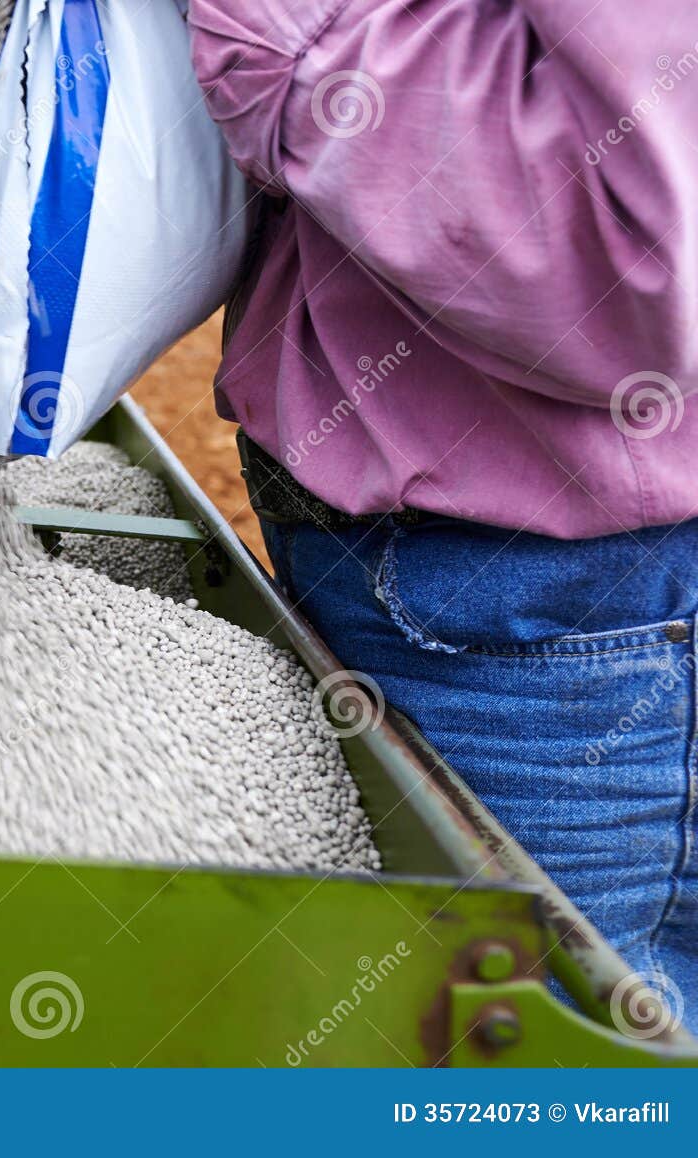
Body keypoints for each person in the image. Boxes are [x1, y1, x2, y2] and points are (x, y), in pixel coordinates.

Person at [187, 0, 698, 1015]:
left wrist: (281, 42)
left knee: (560, 1074)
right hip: (523, 599)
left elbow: (628, 262)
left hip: (558, 627)